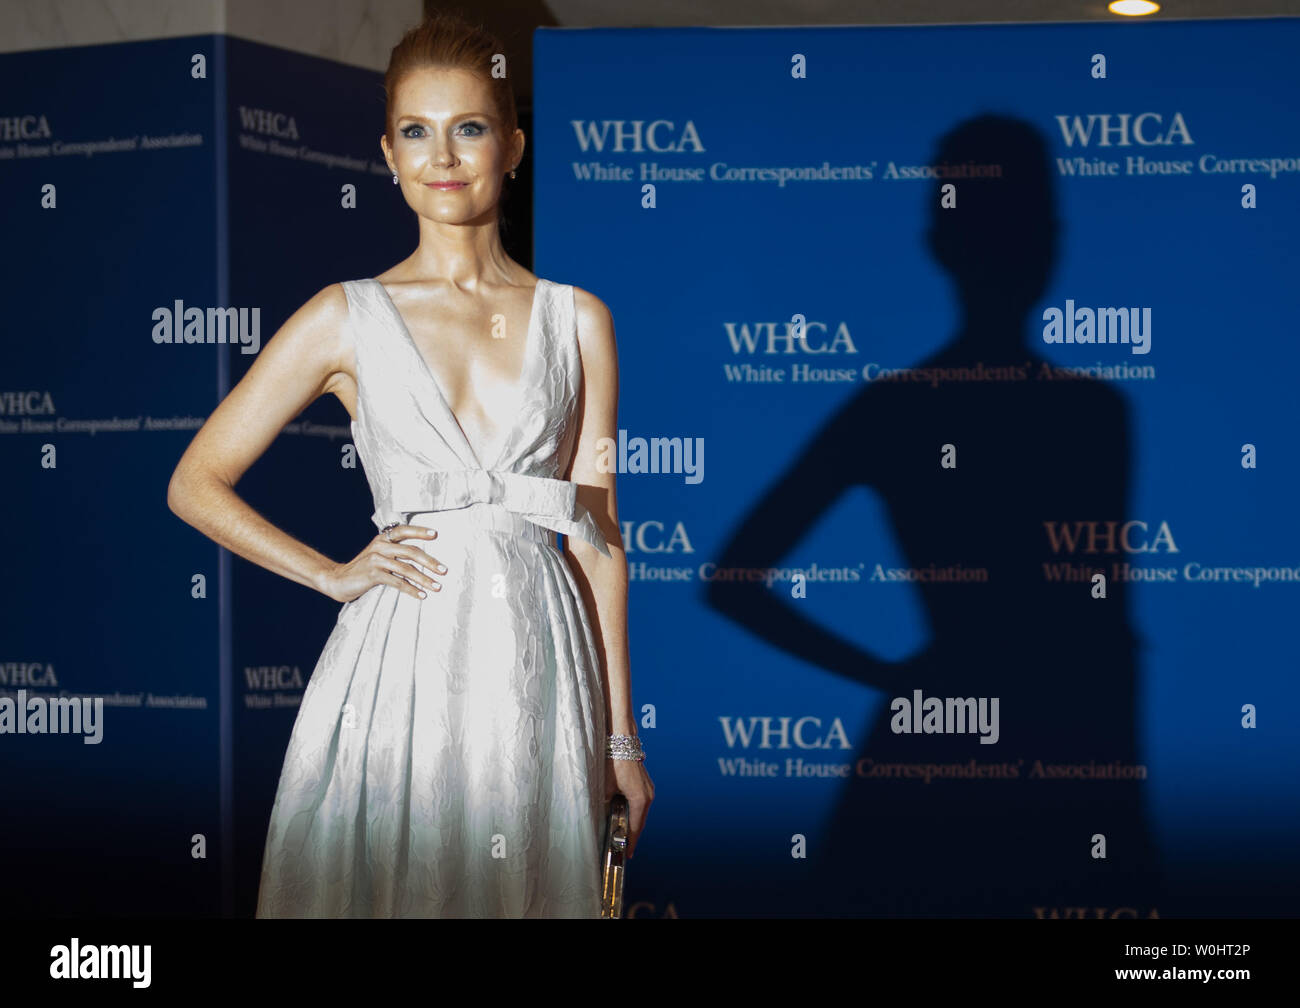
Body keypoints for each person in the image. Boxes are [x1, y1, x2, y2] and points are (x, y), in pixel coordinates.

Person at [167, 11, 652, 917]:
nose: (444, 156)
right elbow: (194, 480)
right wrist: (330, 574)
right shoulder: (346, 315)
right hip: (401, 658)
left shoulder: (578, 321)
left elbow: (597, 539)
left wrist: (621, 741)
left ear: (513, 145)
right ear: (387, 155)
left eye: (469, 128)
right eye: (416, 133)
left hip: (538, 664)